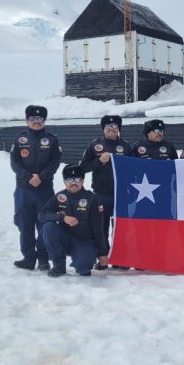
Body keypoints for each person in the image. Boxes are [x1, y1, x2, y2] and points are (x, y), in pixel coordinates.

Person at [10, 104, 61, 271]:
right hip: (23, 190)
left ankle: (43, 259)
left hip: (44, 190)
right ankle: (28, 258)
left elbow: (55, 163)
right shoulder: (19, 139)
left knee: (44, 224)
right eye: (33, 119)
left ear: (44, 121)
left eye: (40, 119)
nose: (36, 121)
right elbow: (14, 163)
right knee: (24, 225)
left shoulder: (52, 139)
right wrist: (28, 177)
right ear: (27, 121)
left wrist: (41, 177)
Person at [79, 115, 132, 269]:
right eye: (108, 127)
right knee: (100, 227)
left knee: (120, 228)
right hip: (101, 194)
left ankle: (120, 259)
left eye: (115, 126)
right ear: (103, 129)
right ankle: (103, 258)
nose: (111, 129)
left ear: (119, 129)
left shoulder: (127, 147)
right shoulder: (94, 146)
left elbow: (135, 169)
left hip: (121, 195)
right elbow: (83, 168)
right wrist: (99, 162)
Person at [38, 165, 110, 278]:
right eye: (69, 180)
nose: (73, 183)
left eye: (77, 179)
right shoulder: (60, 196)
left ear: (82, 181)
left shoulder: (92, 199)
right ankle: (59, 266)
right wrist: (62, 218)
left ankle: (83, 260)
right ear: (64, 181)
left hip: (84, 241)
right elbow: (42, 214)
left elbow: (99, 228)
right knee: (48, 227)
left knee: (84, 268)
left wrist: (102, 253)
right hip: (65, 239)